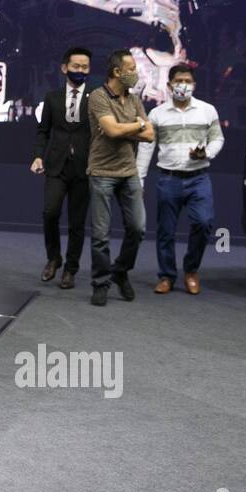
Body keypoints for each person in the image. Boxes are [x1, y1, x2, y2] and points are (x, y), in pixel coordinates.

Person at [137, 64, 224, 295]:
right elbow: (146, 147)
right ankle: (166, 275)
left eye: (187, 81)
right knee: (166, 230)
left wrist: (206, 152)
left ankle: (191, 269)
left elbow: (217, 139)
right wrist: (140, 179)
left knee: (203, 223)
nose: (183, 85)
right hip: (169, 178)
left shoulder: (208, 110)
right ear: (169, 85)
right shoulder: (157, 114)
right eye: (178, 81)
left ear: (194, 84)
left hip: (199, 177)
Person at [86, 49, 155, 307]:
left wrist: (133, 128)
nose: (136, 74)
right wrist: (135, 126)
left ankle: (121, 270)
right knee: (101, 235)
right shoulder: (98, 96)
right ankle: (100, 282)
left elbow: (149, 135)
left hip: (129, 172)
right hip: (102, 172)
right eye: (132, 69)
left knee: (138, 228)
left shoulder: (135, 100)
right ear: (117, 72)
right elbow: (111, 130)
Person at [31, 46, 92, 289]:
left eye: (85, 67)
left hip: (84, 167)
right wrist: (38, 156)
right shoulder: (52, 97)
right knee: (50, 213)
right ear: (64, 68)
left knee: (77, 222)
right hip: (56, 165)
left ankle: (70, 269)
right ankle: (53, 258)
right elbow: (42, 131)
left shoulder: (95, 97)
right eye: (76, 66)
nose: (80, 71)